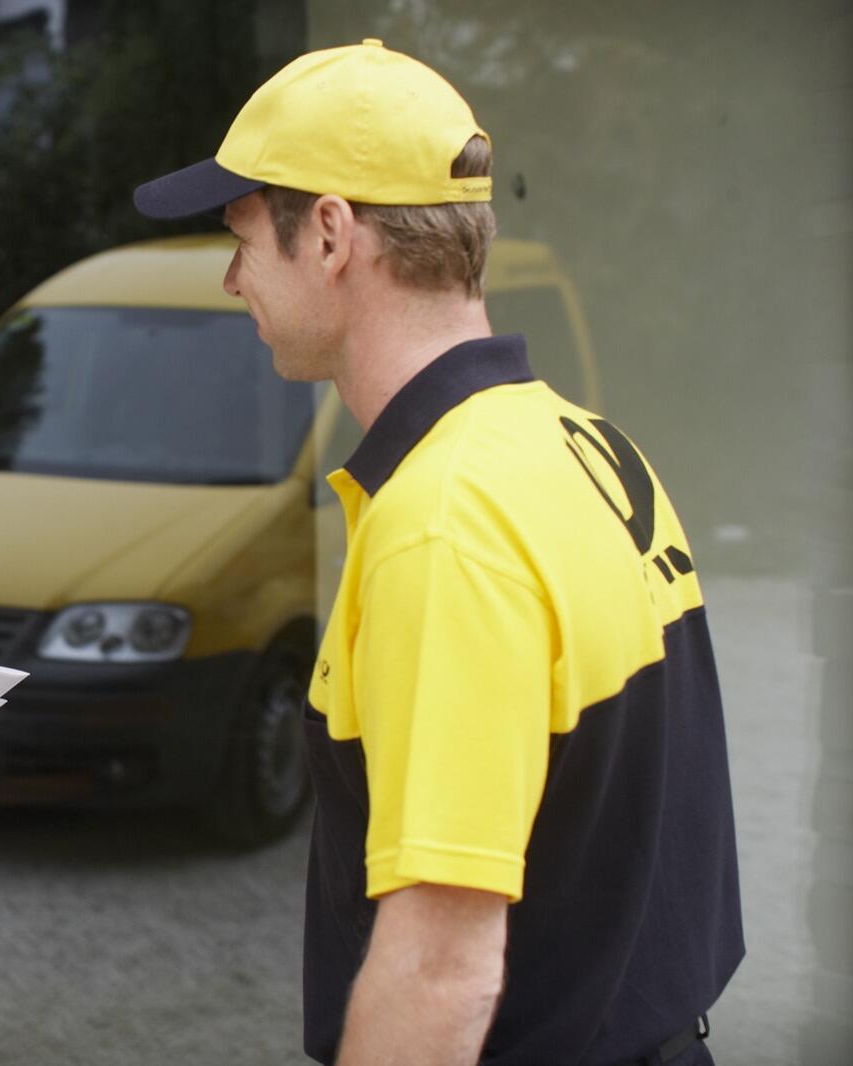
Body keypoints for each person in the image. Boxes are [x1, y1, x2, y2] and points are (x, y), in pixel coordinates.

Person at [134, 39, 743, 1066]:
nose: (234, 277)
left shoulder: (444, 519)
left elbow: (441, 974)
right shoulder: (587, 445)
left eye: (241, 234)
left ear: (329, 233)